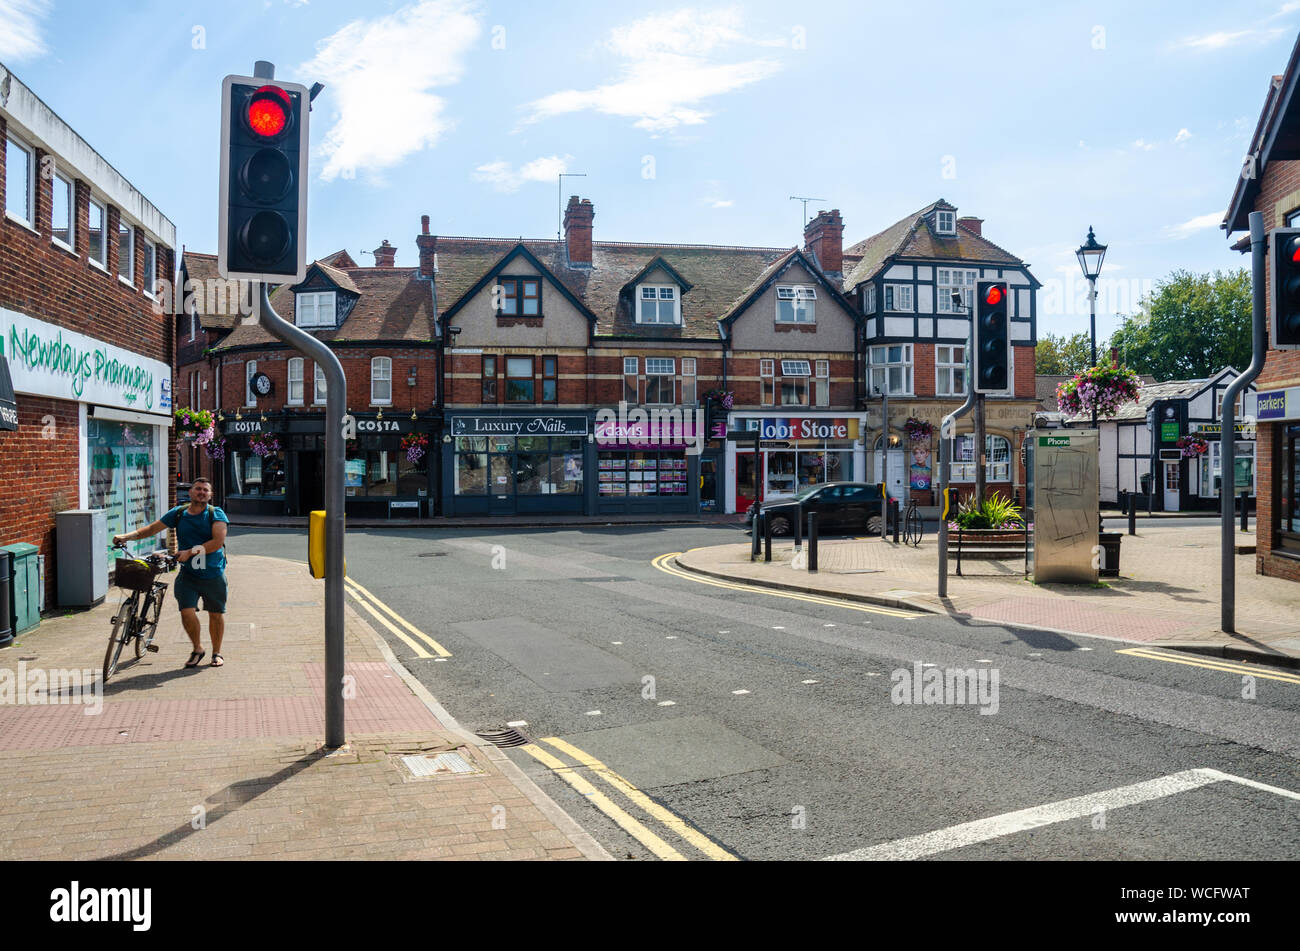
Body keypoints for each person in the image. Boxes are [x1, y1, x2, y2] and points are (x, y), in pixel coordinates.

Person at [112, 477, 230, 668]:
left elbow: (217, 542)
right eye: (198, 489)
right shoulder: (179, 513)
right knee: (186, 612)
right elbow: (152, 528)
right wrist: (126, 537)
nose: (201, 492)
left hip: (213, 574)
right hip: (188, 575)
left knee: (215, 614)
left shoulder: (215, 514)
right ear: (190, 492)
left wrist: (189, 552)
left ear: (210, 495)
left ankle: (216, 653)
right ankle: (198, 649)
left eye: (205, 490)